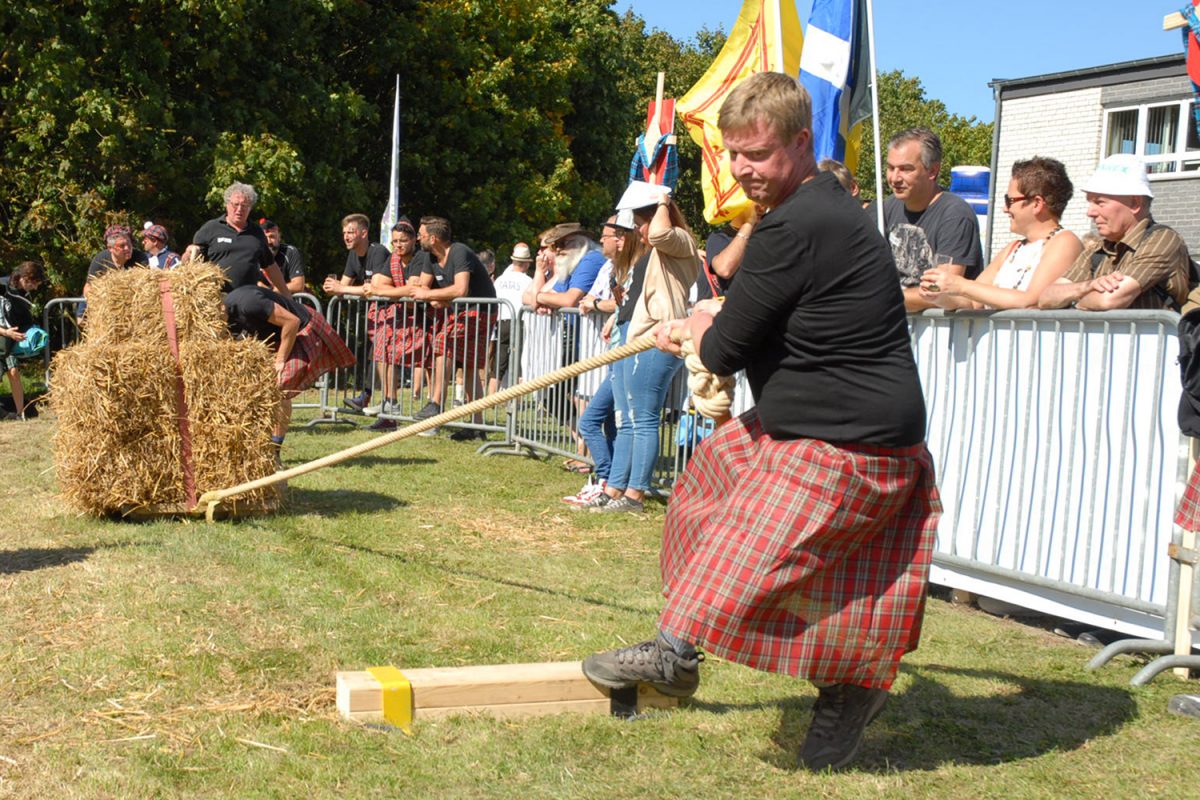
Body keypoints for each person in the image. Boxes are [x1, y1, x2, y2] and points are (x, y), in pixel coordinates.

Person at [581, 72, 940, 773]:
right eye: (735, 155)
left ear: (802, 143)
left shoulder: (798, 224)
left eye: (760, 154)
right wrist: (709, 322)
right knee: (705, 490)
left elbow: (725, 349)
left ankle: (679, 655)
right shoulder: (824, 207)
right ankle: (836, 682)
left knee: (754, 544)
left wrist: (699, 327)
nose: (745, 170)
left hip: (852, 441)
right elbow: (758, 321)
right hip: (798, 423)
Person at [586, 181, 700, 514]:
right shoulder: (653, 253)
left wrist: (663, 202)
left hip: (661, 338)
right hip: (641, 338)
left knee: (645, 419)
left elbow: (663, 234)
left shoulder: (678, 241)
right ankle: (616, 487)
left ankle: (635, 495)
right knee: (627, 420)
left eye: (641, 223)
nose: (640, 231)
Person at [919, 157, 1083, 309]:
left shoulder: (1064, 242)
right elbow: (973, 301)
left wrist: (960, 284)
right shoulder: (1013, 248)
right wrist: (938, 296)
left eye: (1009, 201)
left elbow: (1030, 301)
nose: (1005, 209)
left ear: (1037, 203)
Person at [1037, 154, 1191, 311]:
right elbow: (1046, 298)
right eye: (1090, 202)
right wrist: (1087, 286)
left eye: (1100, 202)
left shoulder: (1163, 239)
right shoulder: (1097, 249)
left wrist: (1073, 302)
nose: (1090, 212)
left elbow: (1108, 300)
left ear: (1135, 203)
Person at [565, 216, 645, 506]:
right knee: (612, 425)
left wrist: (600, 307)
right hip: (616, 355)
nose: (602, 240)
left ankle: (608, 480)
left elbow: (631, 304)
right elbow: (624, 305)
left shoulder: (639, 267)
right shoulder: (614, 268)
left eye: (607, 235)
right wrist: (612, 316)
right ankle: (613, 483)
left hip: (629, 356)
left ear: (623, 237)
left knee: (590, 422)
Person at [223, 285, 354, 458]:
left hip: (303, 329)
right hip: (279, 337)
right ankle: (262, 448)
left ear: (218, 306)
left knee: (279, 388)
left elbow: (292, 322)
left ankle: (274, 450)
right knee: (262, 391)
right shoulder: (226, 320)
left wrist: (280, 360)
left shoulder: (248, 303)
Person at [410, 216, 497, 440]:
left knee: (442, 341)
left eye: (421, 234)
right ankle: (478, 427)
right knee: (469, 368)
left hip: (480, 311)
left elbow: (460, 290)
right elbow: (421, 286)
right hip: (462, 311)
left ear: (434, 237)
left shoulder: (459, 252)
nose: (418, 237)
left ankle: (436, 404)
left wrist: (431, 295)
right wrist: (433, 296)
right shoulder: (431, 256)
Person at [880, 127, 984, 311]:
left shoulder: (955, 215)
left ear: (932, 171)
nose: (894, 178)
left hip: (945, 334)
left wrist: (881, 298)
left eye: (905, 169)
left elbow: (941, 292)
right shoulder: (886, 207)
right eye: (890, 168)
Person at [358, 219, 426, 431]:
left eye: (403, 240)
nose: (398, 245)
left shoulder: (422, 257)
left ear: (414, 240)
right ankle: (390, 406)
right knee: (382, 350)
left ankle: (435, 415)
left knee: (431, 365)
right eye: (395, 241)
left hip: (428, 319)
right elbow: (379, 282)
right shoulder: (393, 259)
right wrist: (389, 290)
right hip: (403, 317)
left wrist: (383, 292)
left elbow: (410, 289)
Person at [325, 213, 391, 412]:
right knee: (376, 355)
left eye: (351, 232)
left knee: (384, 356)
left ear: (364, 233)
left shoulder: (378, 251)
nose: (346, 236)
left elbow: (372, 289)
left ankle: (388, 403)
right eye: (344, 233)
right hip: (376, 312)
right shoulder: (353, 254)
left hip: (394, 310)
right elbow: (343, 286)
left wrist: (341, 289)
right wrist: (332, 288)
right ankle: (369, 397)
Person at [186, 182, 290, 296]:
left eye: (244, 206)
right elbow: (190, 261)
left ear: (250, 208)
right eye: (236, 204)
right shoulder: (211, 228)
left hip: (247, 299)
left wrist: (287, 296)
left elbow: (270, 266)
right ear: (227, 204)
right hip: (215, 298)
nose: (240, 209)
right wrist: (188, 253)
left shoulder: (257, 233)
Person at [486, 242, 535, 395]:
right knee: (519, 362)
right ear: (527, 263)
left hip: (501, 322)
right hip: (519, 322)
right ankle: (515, 401)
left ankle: (490, 398)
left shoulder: (500, 279)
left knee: (498, 364)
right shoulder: (528, 281)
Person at [1, 261, 46, 420]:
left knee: (13, 373)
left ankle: (21, 413)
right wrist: (5, 332)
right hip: (3, 335)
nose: (34, 288)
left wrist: (32, 334)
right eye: (33, 284)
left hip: (8, 341)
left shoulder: (23, 296)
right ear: (24, 278)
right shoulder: (2, 287)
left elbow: (23, 321)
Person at [84, 224, 149, 295]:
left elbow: (146, 286)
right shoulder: (100, 260)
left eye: (129, 243)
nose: (127, 248)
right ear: (110, 248)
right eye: (122, 246)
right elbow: (88, 287)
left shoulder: (140, 258)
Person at [259, 218, 306, 293]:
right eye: (264, 238)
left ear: (279, 237)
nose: (268, 241)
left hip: (288, 301)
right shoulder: (253, 255)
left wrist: (271, 291)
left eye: (272, 237)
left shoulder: (290, 252)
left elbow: (298, 285)